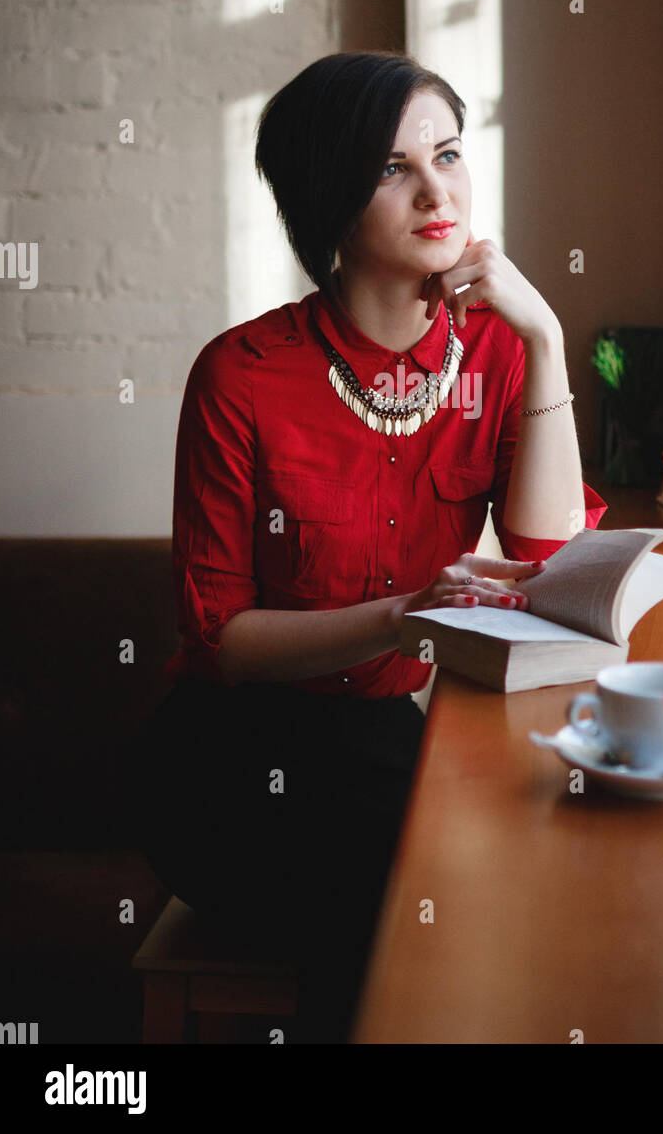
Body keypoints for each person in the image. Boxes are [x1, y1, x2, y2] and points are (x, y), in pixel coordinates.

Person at [135, 51, 607, 1043]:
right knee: (389, 901)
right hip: (232, 752)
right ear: (329, 200)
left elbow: (547, 545)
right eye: (393, 168)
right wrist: (401, 617)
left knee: (519, 867)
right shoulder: (240, 375)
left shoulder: (496, 352)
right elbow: (220, 636)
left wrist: (548, 338)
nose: (437, 191)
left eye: (446, 154)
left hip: (382, 742)